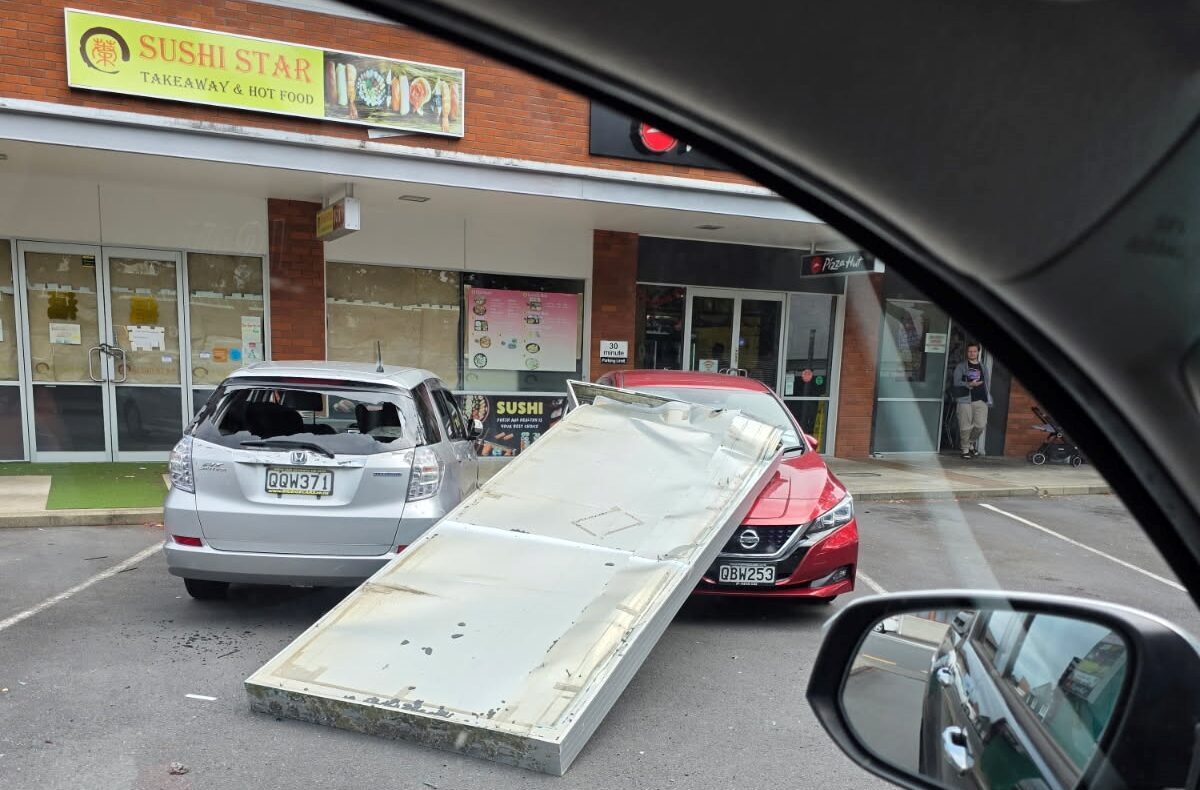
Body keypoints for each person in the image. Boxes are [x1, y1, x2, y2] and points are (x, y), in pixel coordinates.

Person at [952, 342, 992, 458]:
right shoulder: (961, 366)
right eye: (970, 351)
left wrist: (987, 397)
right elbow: (956, 382)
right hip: (965, 399)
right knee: (965, 426)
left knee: (980, 425)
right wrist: (969, 384)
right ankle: (965, 449)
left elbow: (986, 384)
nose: (972, 353)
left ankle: (970, 443)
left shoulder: (983, 366)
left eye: (974, 351)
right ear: (967, 352)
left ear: (978, 352)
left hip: (980, 400)